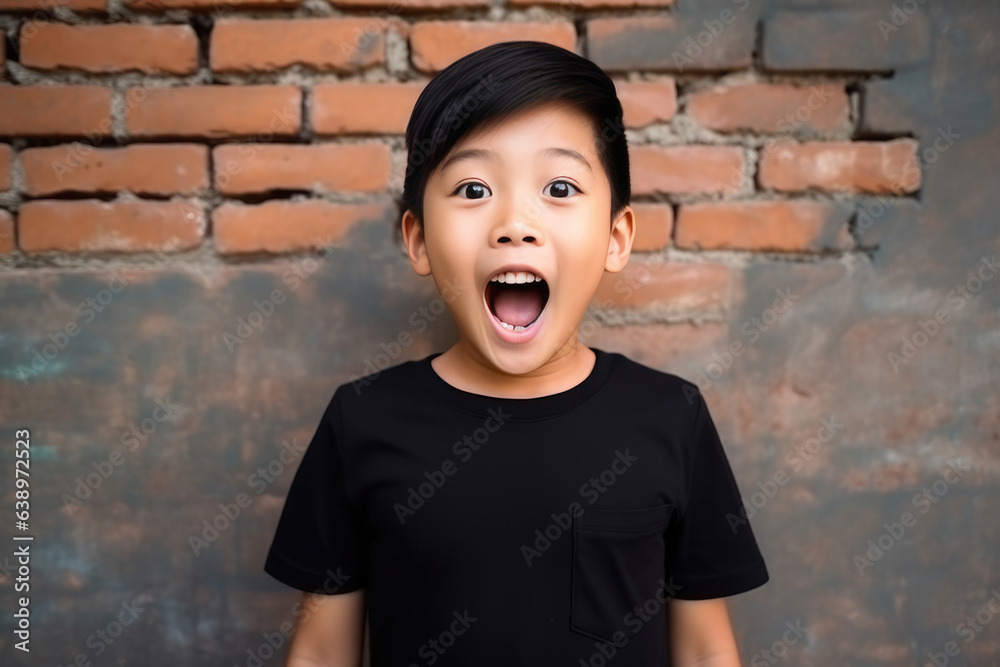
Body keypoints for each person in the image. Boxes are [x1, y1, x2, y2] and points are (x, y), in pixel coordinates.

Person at [263, 40, 769, 666]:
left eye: (560, 187)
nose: (515, 224)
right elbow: (319, 655)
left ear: (616, 237)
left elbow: (707, 655)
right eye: (473, 189)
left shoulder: (670, 417)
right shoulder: (362, 420)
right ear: (418, 240)